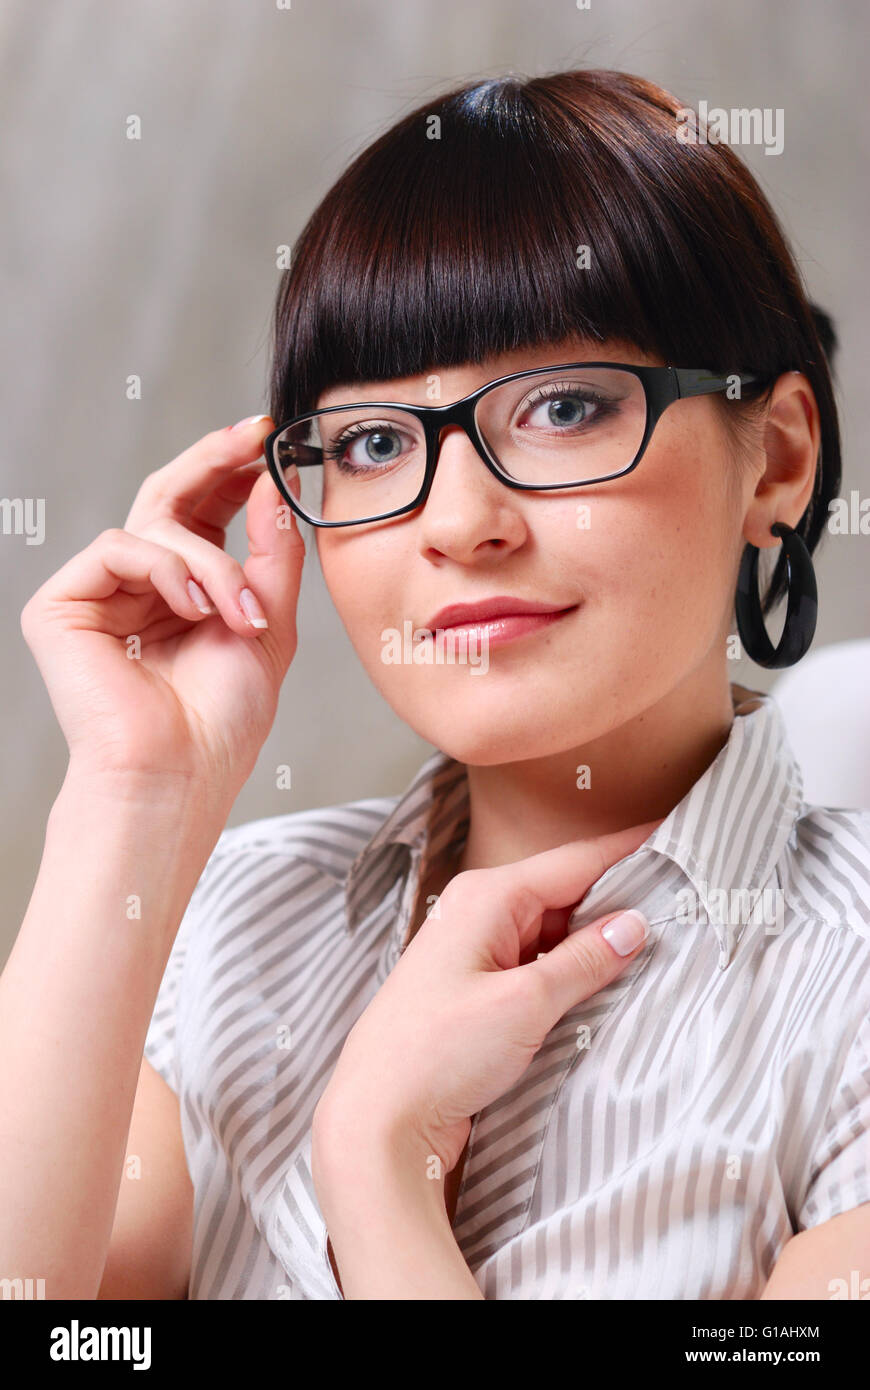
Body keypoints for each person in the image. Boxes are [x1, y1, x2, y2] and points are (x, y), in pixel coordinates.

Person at [4, 68, 869, 1301]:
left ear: (777, 457)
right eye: (369, 442)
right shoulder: (226, 931)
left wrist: (377, 1179)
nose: (461, 522)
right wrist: (130, 798)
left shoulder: (846, 986)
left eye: (564, 407)